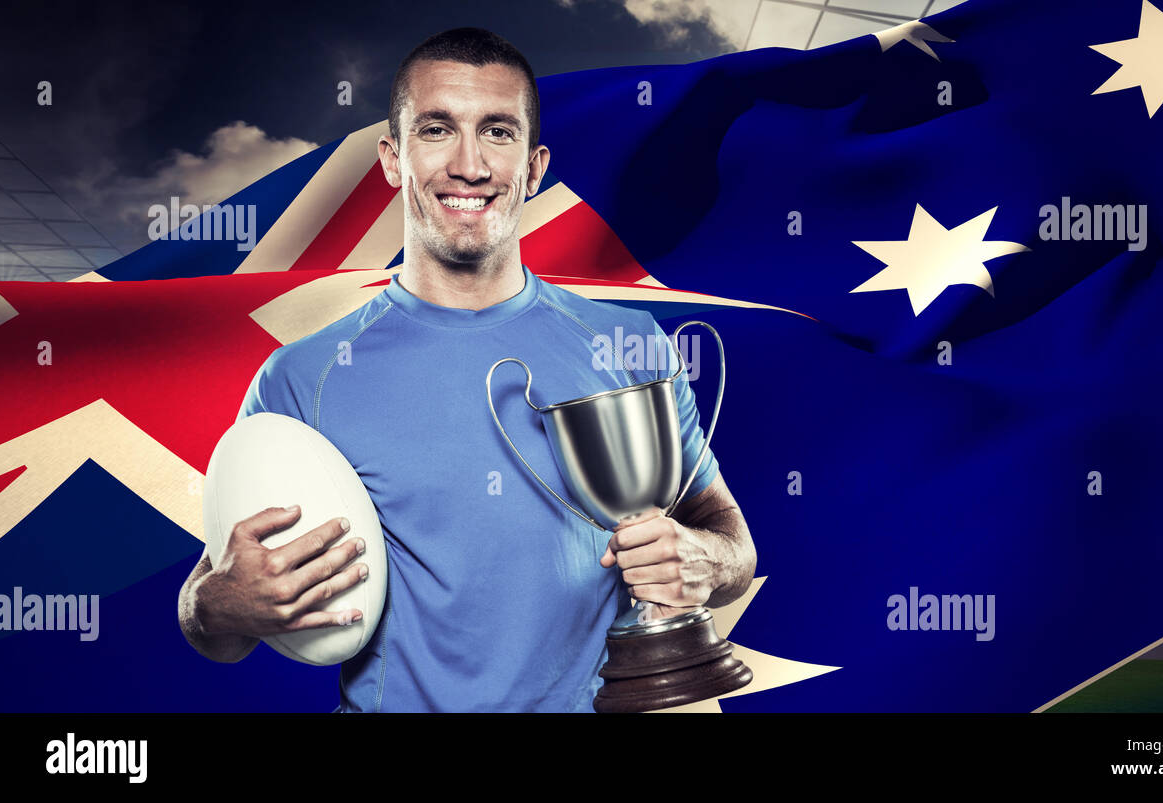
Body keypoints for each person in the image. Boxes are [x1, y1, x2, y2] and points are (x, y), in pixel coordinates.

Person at [177, 27, 756, 712]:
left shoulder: (628, 344)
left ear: (535, 165)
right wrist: (218, 606)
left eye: (498, 132)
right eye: (437, 130)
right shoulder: (301, 377)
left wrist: (705, 559)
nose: (470, 164)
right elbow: (213, 613)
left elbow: (726, 537)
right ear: (392, 159)